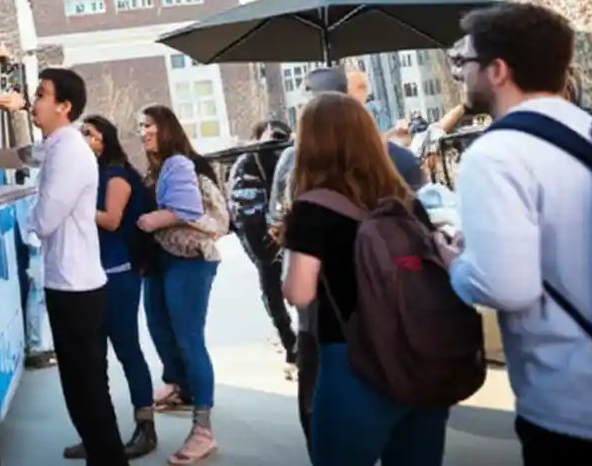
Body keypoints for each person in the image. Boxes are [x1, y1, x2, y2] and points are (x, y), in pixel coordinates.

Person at [439, 3, 592, 463]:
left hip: (575, 412)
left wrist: (457, 265)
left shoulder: (496, 153)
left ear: (498, 70)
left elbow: (506, 287)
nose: (460, 77)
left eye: (464, 64)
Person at [280, 92, 448, 466]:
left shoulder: (312, 210)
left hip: (353, 362)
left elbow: (300, 293)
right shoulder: (404, 201)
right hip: (420, 359)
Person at [0, 69, 127, 465]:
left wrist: (25, 207)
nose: (35, 100)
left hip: (76, 290)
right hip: (70, 284)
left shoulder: (69, 151)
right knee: (82, 391)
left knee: (88, 393)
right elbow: (19, 156)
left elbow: (43, 220)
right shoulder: (56, 145)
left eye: (43, 94)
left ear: (64, 107)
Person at [61, 116, 158, 460]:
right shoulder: (92, 173)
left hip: (117, 276)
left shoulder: (115, 175)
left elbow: (112, 220)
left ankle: (145, 428)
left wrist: (73, 204)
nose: (83, 139)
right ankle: (100, 435)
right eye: (80, 133)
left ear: (106, 141)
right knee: (93, 358)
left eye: (90, 134)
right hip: (92, 276)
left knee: (127, 350)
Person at [137, 105, 225, 465]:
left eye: (149, 126)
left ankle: (203, 429)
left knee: (189, 339)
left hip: (190, 260)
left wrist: (158, 217)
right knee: (159, 329)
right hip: (157, 262)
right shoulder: (155, 169)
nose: (143, 132)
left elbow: (208, 216)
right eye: (140, 127)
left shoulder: (188, 164)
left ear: (166, 129)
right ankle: (180, 386)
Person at [227, 121, 296, 375]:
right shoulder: (248, 165)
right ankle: (292, 342)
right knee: (277, 288)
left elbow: (241, 213)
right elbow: (243, 212)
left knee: (275, 290)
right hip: (278, 237)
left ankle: (294, 343)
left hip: (277, 238)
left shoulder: (247, 164)